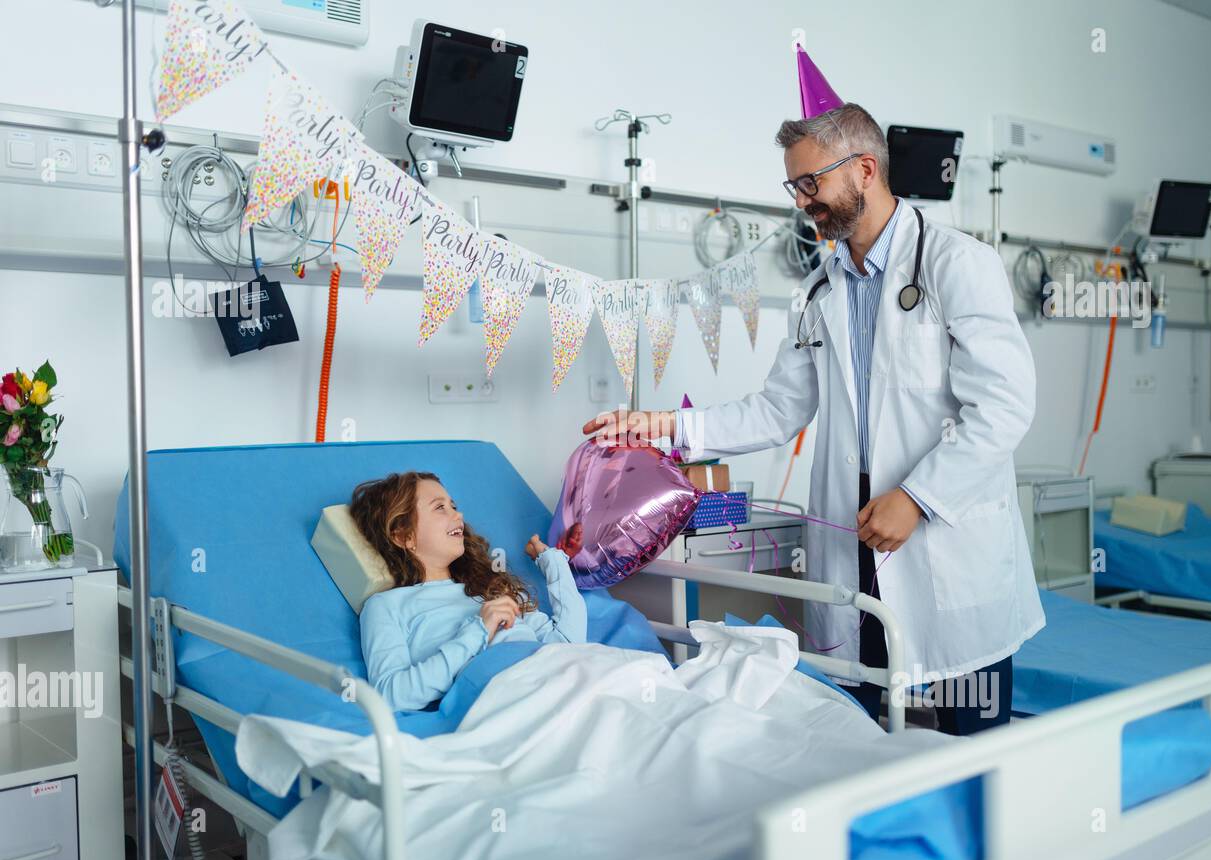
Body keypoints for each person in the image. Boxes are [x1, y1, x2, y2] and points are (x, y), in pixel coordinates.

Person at [584, 103, 1043, 735]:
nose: (802, 201)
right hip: (854, 535)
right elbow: (778, 410)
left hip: (942, 531)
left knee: (976, 733)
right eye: (794, 186)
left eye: (811, 183)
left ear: (863, 169)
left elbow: (1004, 405)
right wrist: (661, 426)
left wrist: (917, 498)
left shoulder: (955, 264)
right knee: (872, 727)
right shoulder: (819, 292)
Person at [350, 471, 586, 712]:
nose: (458, 514)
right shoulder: (386, 605)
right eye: (440, 507)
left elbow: (569, 645)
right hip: (514, 699)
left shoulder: (491, 589)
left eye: (453, 506)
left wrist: (554, 562)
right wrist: (478, 631)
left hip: (563, 678)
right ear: (403, 536)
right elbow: (390, 695)